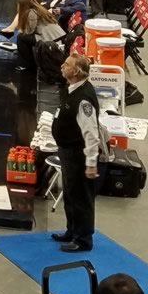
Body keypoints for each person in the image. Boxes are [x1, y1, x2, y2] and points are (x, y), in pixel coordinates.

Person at [51, 53, 103, 252]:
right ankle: (71, 230)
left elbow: (91, 134)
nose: (62, 66)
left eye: (67, 65)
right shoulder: (70, 89)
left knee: (81, 197)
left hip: (78, 154)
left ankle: (83, 239)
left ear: (76, 72)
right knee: (70, 193)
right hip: (67, 150)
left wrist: (91, 163)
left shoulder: (83, 100)